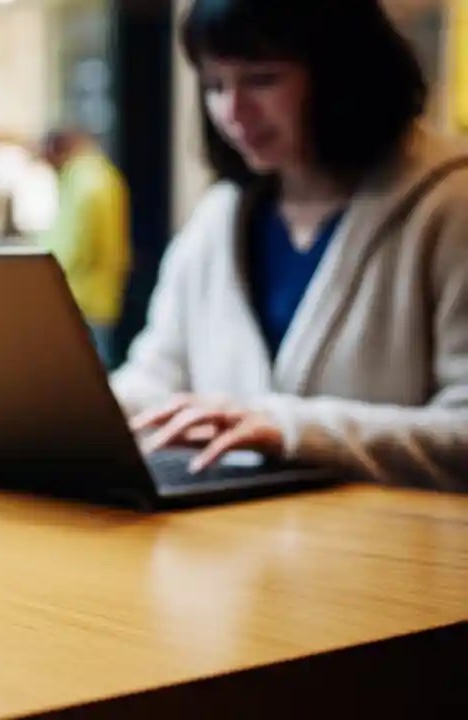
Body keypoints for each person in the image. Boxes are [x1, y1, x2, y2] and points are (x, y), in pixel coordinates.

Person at [114, 0, 468, 491]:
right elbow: (155, 379)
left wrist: (290, 429)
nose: (233, 112)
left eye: (262, 80)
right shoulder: (219, 217)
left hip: (397, 554)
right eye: (215, 86)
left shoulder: (452, 205)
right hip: (235, 550)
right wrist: (63, 415)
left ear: (342, 72)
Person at [36, 129, 131, 365]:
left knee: (89, 372)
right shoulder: (103, 175)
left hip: (82, 298)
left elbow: (72, 247)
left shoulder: (84, 183)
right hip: (100, 295)